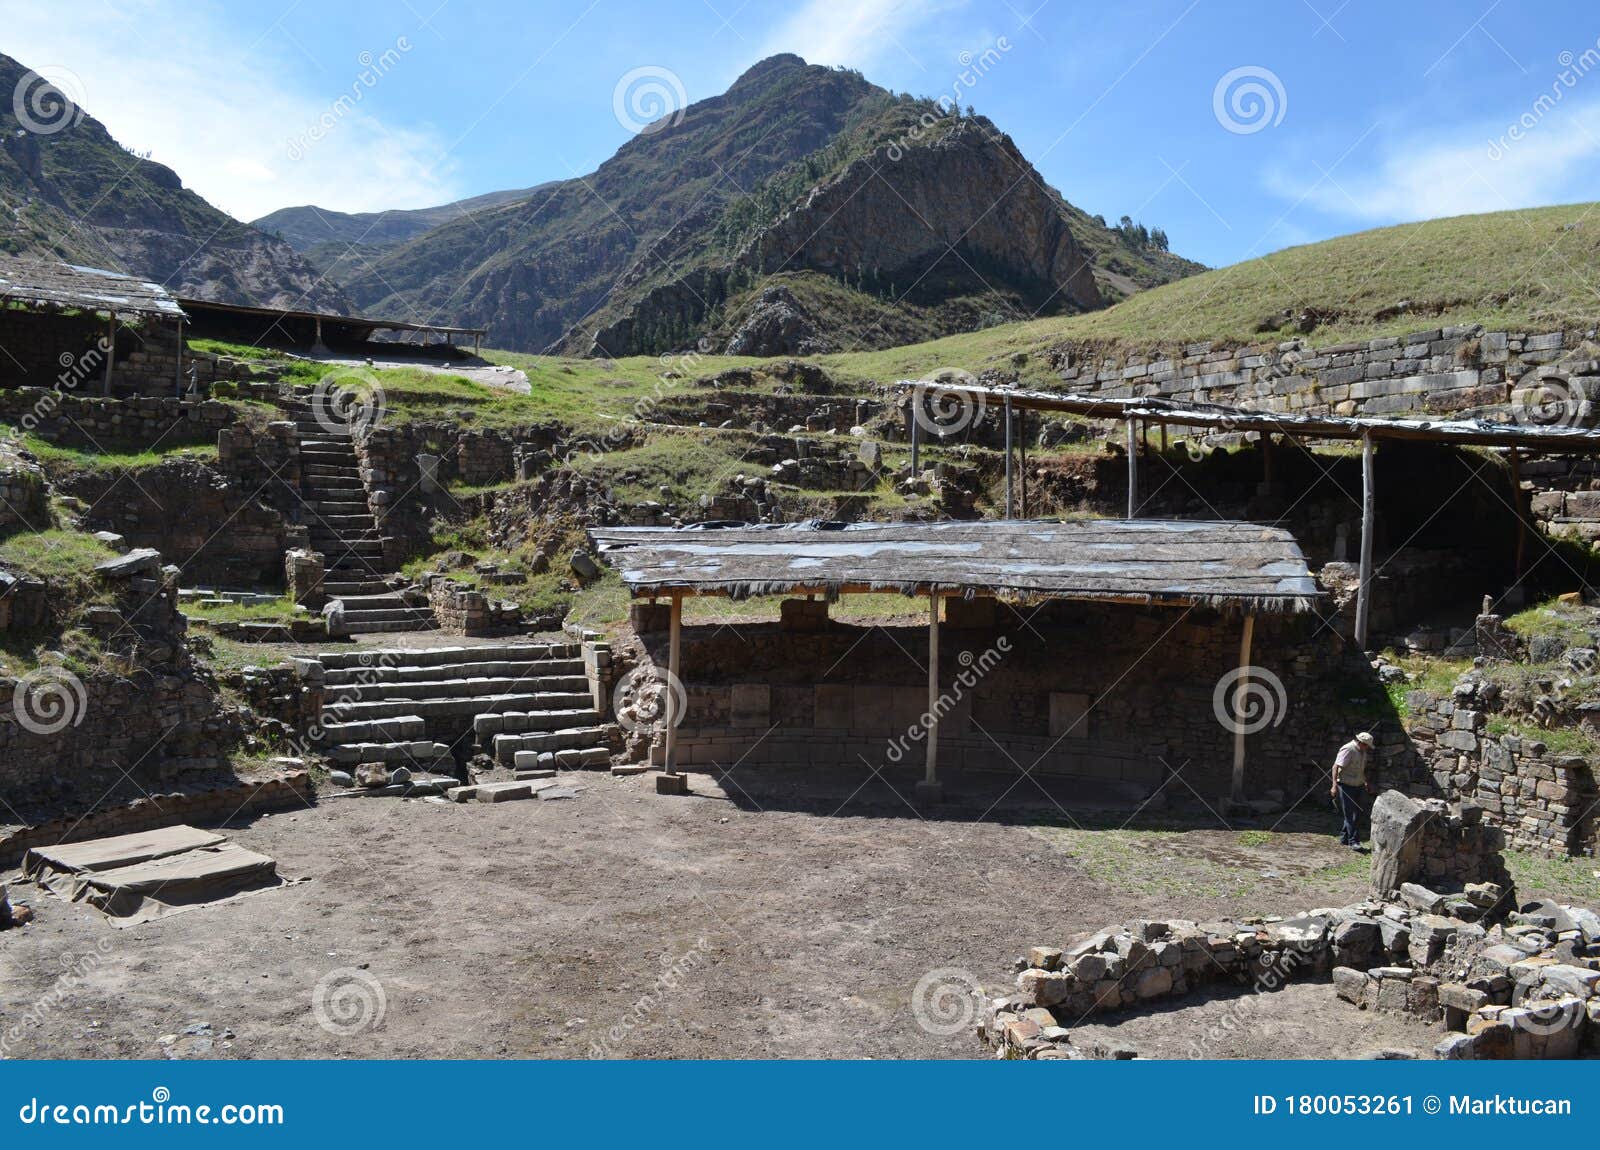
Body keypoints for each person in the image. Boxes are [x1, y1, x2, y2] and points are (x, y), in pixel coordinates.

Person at [1330, 732, 1376, 848]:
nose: (1367, 748)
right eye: (1366, 746)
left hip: (1358, 785)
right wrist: (1334, 785)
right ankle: (1354, 841)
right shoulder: (1348, 749)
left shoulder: (1363, 751)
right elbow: (1336, 767)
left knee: (1357, 812)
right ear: (1361, 742)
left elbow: (1361, 770)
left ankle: (1344, 837)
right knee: (1350, 814)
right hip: (1346, 786)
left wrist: (1366, 783)